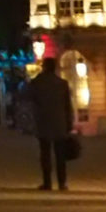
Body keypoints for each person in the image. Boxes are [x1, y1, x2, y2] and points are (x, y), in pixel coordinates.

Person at [29, 57, 74, 190]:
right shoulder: (62, 83)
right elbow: (67, 105)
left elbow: (27, 96)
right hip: (59, 122)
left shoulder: (37, 82)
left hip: (43, 121)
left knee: (45, 154)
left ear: (44, 67)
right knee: (60, 155)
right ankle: (62, 182)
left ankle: (47, 182)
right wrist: (69, 122)